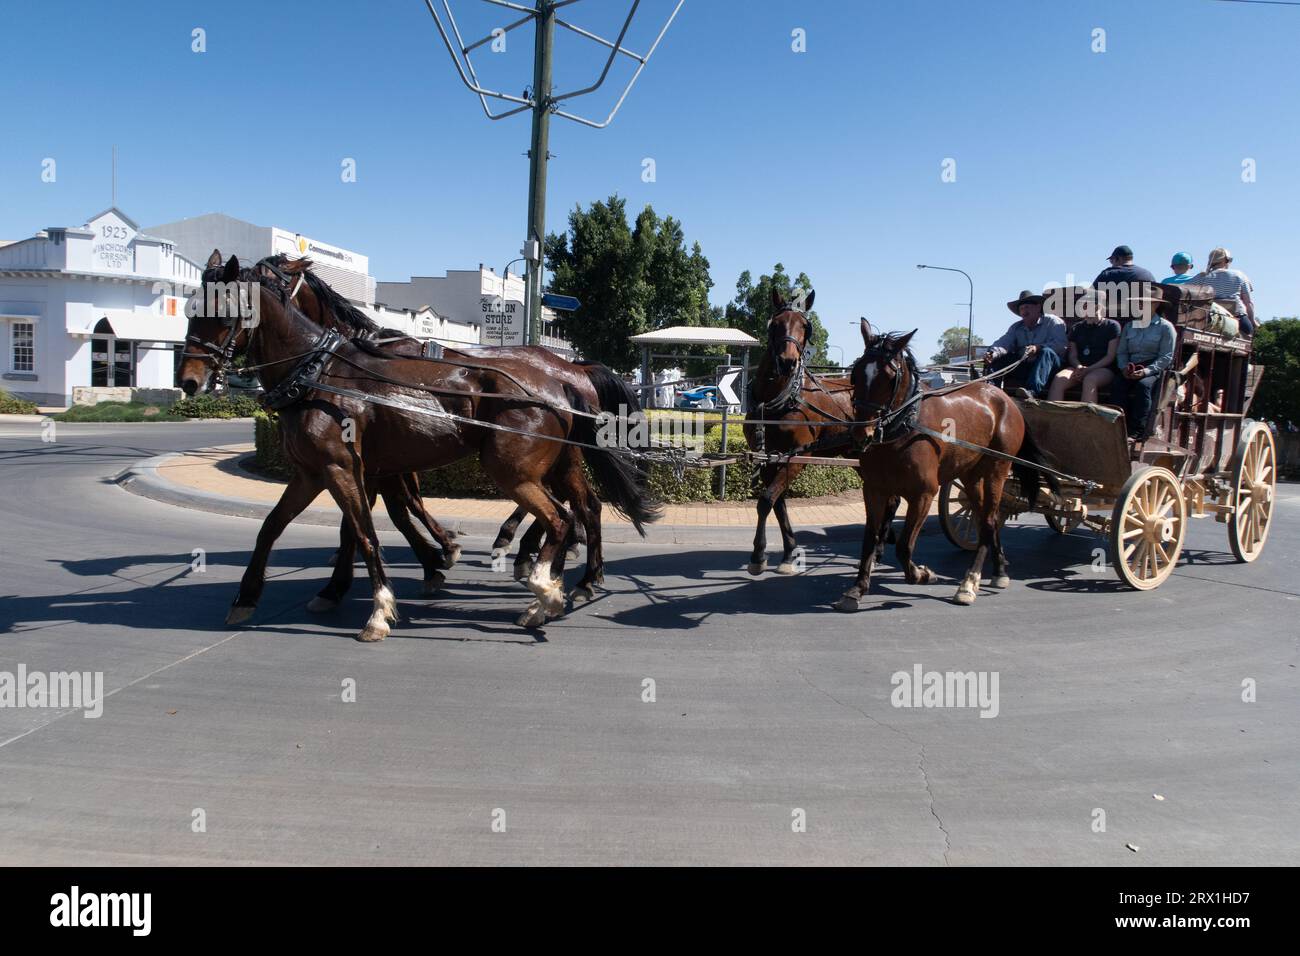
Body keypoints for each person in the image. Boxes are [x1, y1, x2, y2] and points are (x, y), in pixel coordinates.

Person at [1109, 297, 1176, 440]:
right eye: (1139, 303)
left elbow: (1166, 357)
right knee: (1117, 385)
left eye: (1145, 303)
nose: (1140, 306)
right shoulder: (1130, 326)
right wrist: (1123, 368)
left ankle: (1137, 431)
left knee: (1143, 386)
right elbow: (1122, 352)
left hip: (1153, 369)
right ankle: (1115, 427)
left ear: (1156, 305)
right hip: (1130, 367)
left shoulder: (1166, 327)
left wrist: (1146, 371)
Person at [985, 290, 1068, 398]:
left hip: (1051, 368)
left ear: (1038, 307)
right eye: (1021, 309)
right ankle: (991, 388)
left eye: (1027, 307)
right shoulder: (1016, 327)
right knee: (1001, 357)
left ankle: (1031, 392)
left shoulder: (1053, 322)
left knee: (1046, 352)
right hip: (1026, 367)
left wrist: (1038, 348)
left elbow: (1061, 345)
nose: (1024, 311)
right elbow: (1004, 342)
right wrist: (992, 353)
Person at [1048, 288, 1120, 402]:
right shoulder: (1076, 328)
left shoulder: (1112, 326)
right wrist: (1079, 367)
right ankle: (1053, 416)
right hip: (1079, 368)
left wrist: (1089, 369)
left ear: (1097, 306)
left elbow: (1110, 356)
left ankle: (1086, 418)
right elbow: (1072, 355)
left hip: (1103, 369)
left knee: (1090, 380)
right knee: (1059, 379)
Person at [1192, 247, 1256, 336]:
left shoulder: (1200, 277)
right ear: (1225, 260)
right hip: (1237, 318)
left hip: (1208, 321)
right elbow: (1248, 303)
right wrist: (1252, 321)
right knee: (1248, 332)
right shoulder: (1239, 275)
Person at [1094, 244, 1156, 324]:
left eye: (1111, 260)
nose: (1111, 264)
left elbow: (1091, 296)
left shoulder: (1107, 274)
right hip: (1141, 323)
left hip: (1112, 325)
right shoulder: (1147, 275)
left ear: (1117, 258)